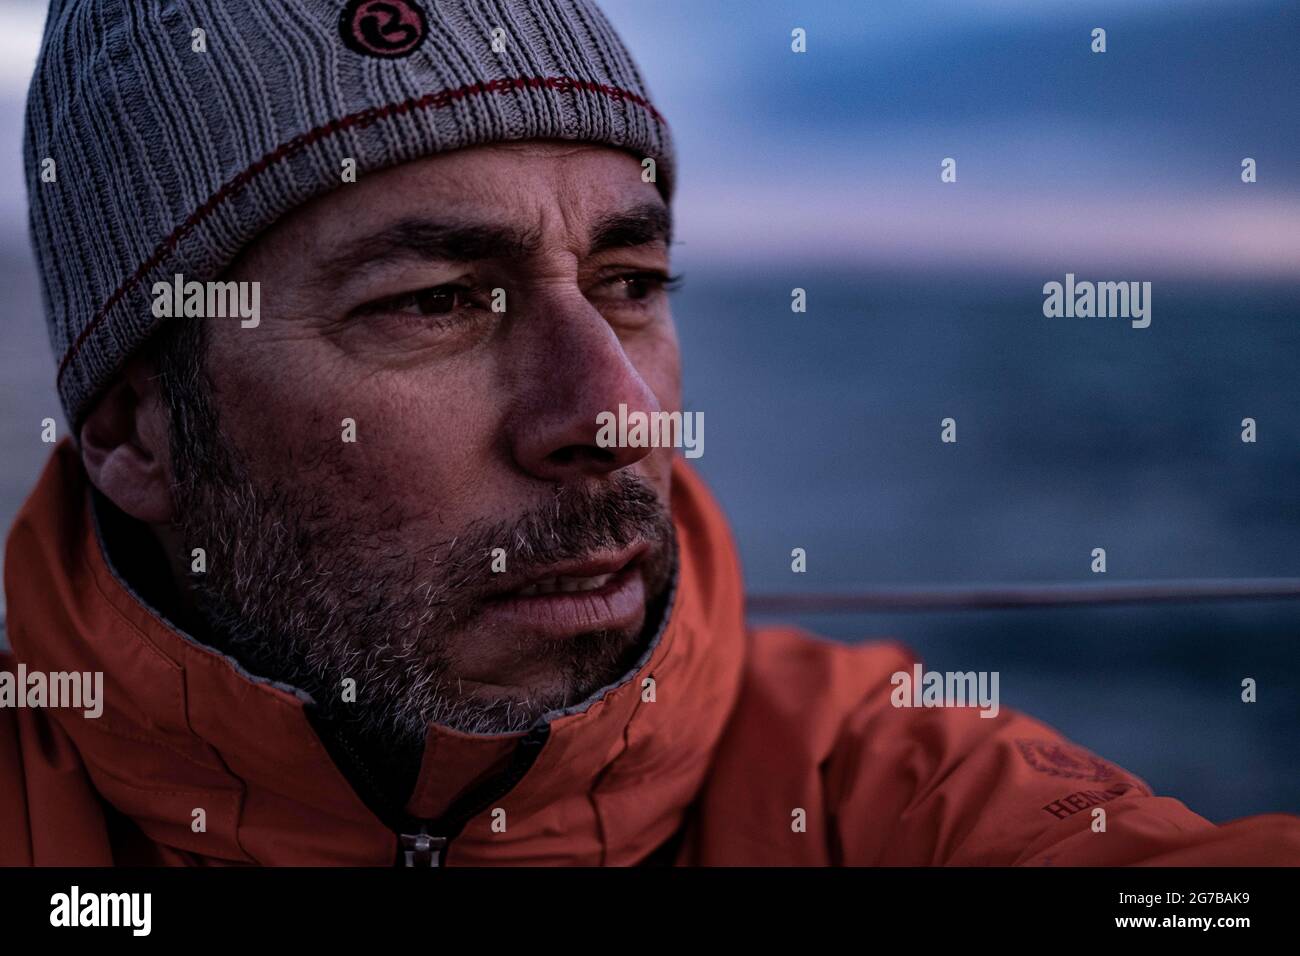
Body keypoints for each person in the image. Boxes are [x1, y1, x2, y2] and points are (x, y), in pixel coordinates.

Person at [3, 0, 1296, 866]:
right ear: (135, 428)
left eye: (632, 283)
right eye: (435, 303)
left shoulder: (875, 787)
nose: (620, 412)